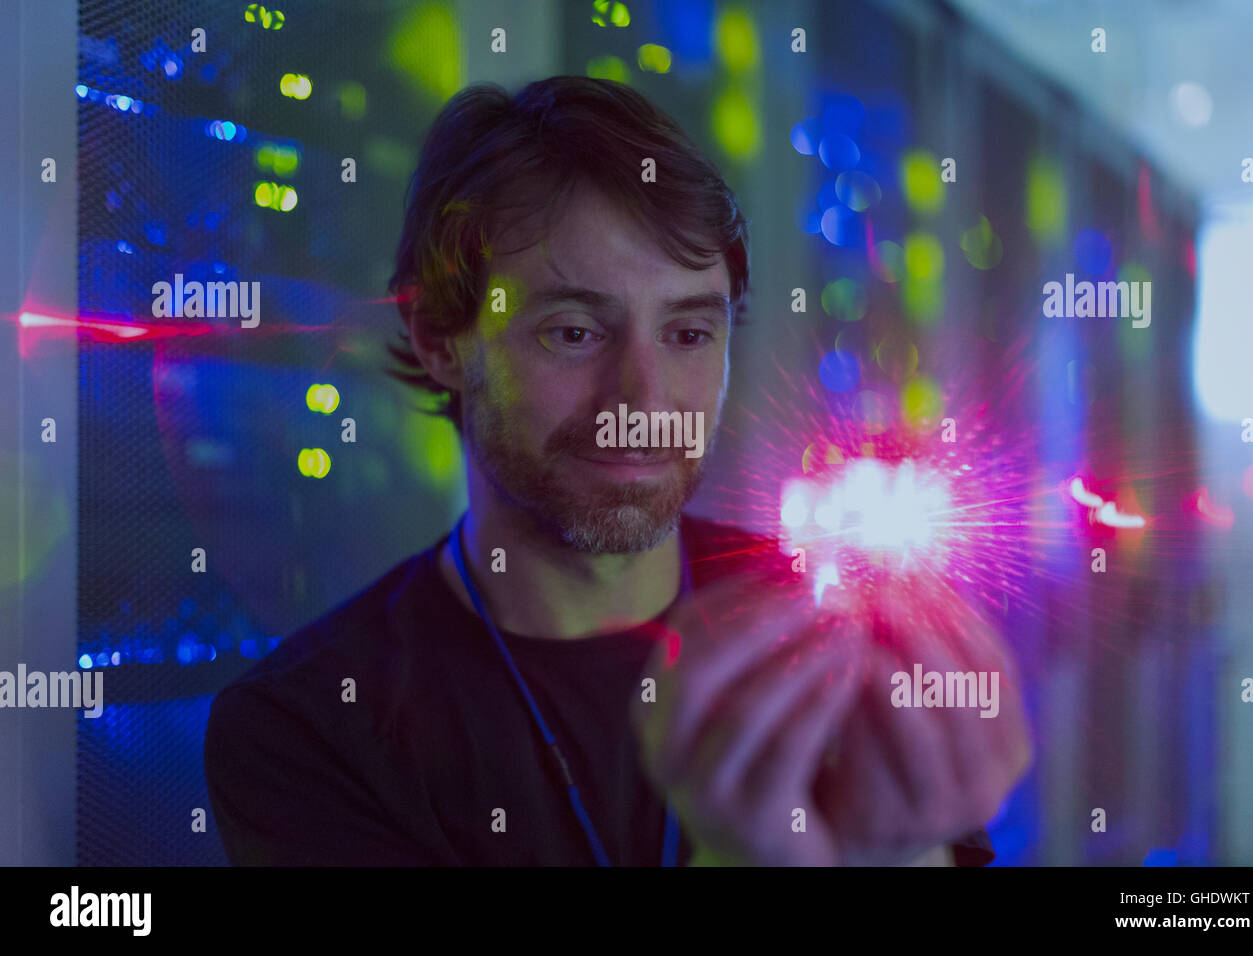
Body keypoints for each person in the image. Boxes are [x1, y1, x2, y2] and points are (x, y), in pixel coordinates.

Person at [204, 75, 1029, 866]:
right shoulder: (309, 727)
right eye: (574, 331)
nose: (642, 398)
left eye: (688, 334)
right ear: (440, 341)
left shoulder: (835, 632)